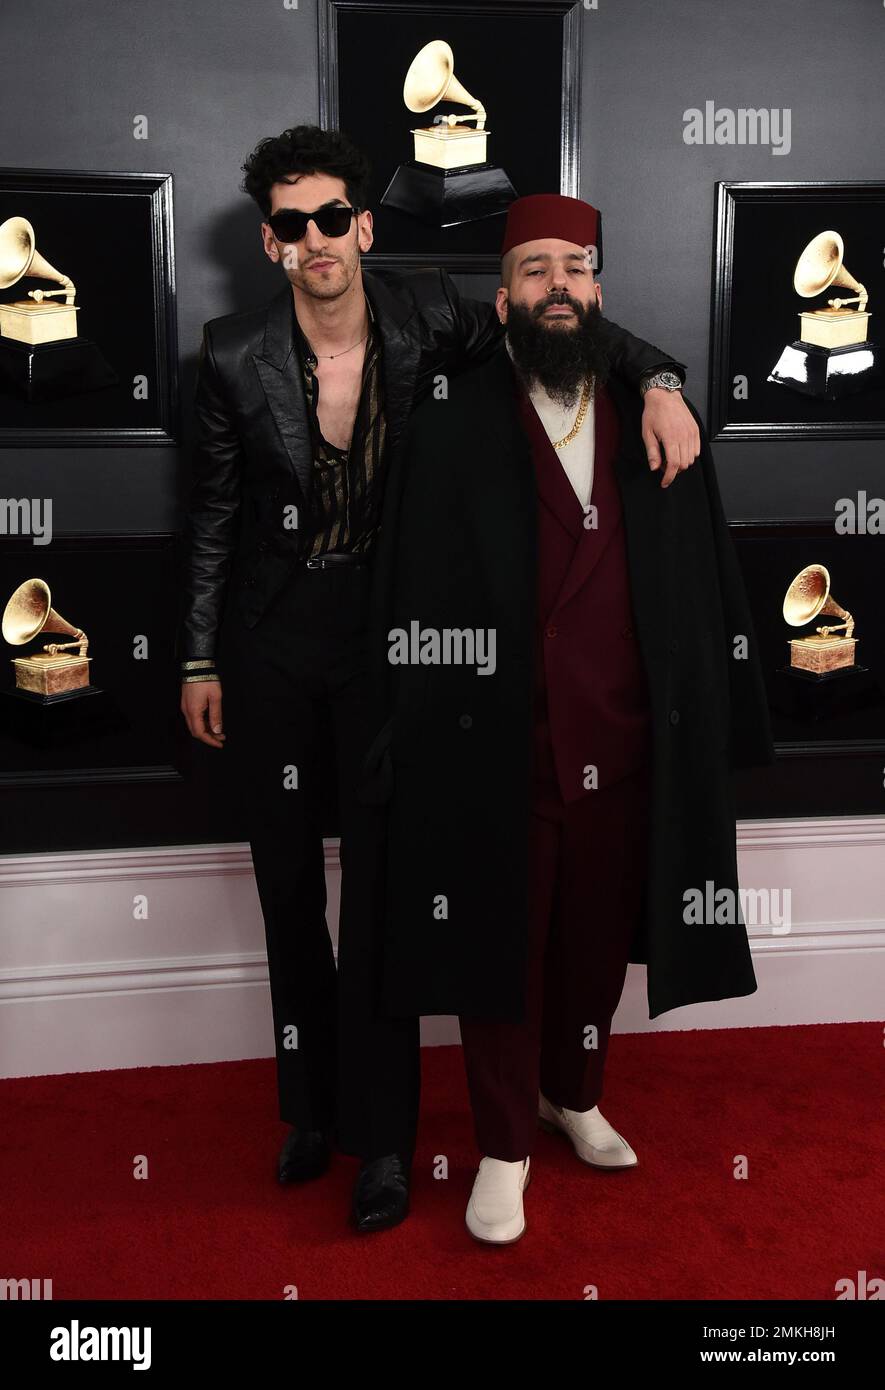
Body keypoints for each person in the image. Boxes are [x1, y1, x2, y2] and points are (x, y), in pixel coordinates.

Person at [177, 127, 701, 1234]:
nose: (316, 239)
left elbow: (564, 322)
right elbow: (215, 520)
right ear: (271, 244)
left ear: (363, 226)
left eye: (334, 217)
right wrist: (197, 654)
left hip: (389, 639)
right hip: (273, 640)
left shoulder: (426, 311)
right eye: (292, 223)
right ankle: (309, 1110)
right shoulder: (230, 354)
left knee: (380, 898)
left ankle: (385, 1144)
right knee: (286, 896)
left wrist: (658, 375)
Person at [365, 192, 775, 1243]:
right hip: (499, 749)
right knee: (501, 946)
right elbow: (408, 595)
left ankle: (571, 1094)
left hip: (626, 743)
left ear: (599, 291)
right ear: (501, 300)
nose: (559, 284)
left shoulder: (660, 423)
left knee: (595, 944)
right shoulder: (449, 425)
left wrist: (668, 377)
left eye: (577, 267)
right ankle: (503, 1144)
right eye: (536, 268)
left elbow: (705, 589)